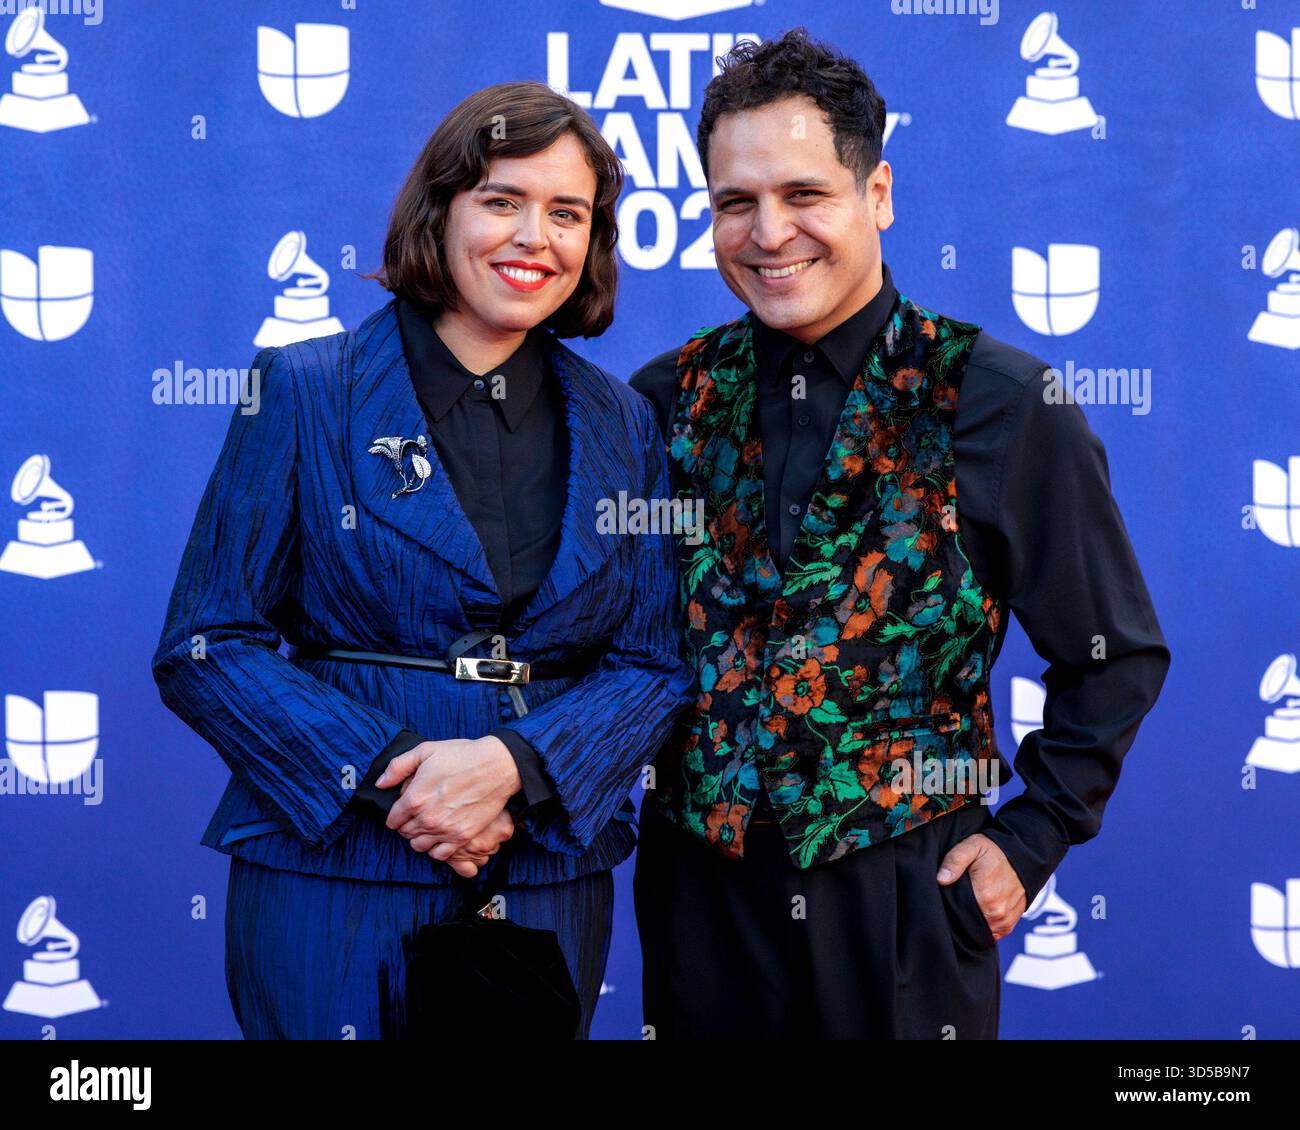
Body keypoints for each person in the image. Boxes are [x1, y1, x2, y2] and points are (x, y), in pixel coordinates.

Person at [629, 28, 1171, 1039]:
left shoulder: (1000, 402)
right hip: (701, 899)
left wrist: (1029, 837)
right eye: (734, 203)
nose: (766, 231)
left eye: (804, 195)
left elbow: (1114, 655)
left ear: (876, 193)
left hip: (905, 903)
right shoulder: (663, 398)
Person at [152, 81, 693, 1040]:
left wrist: (516, 766)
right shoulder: (304, 391)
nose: (536, 236)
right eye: (501, 200)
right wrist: (402, 771)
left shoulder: (626, 423)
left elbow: (654, 662)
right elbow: (207, 645)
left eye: (567, 213)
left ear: (594, 243)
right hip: (333, 870)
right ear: (437, 212)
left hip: (541, 877)